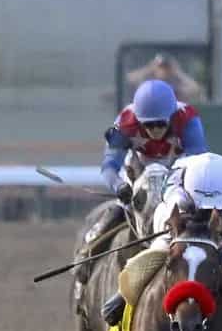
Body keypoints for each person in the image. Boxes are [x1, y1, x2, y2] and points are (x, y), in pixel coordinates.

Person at [103, 151, 222, 331]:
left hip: (221, 219)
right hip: (182, 213)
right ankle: (122, 297)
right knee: (162, 247)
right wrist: (176, 224)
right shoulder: (177, 178)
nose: (207, 208)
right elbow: (171, 205)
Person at [74, 80, 207, 298]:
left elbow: (199, 162)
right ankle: (84, 268)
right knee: (110, 220)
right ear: (138, 119)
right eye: (149, 125)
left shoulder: (188, 118)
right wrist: (120, 186)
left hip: (177, 172)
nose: (155, 130)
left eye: (160, 124)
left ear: (171, 116)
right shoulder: (123, 122)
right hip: (138, 173)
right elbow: (109, 166)